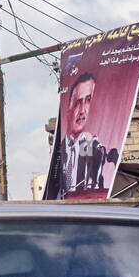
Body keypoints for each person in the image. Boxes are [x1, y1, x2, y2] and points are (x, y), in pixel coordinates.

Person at [51, 71, 119, 200]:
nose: (82, 110)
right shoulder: (60, 149)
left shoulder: (90, 144)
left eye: (88, 100)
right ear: (68, 109)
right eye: (78, 102)